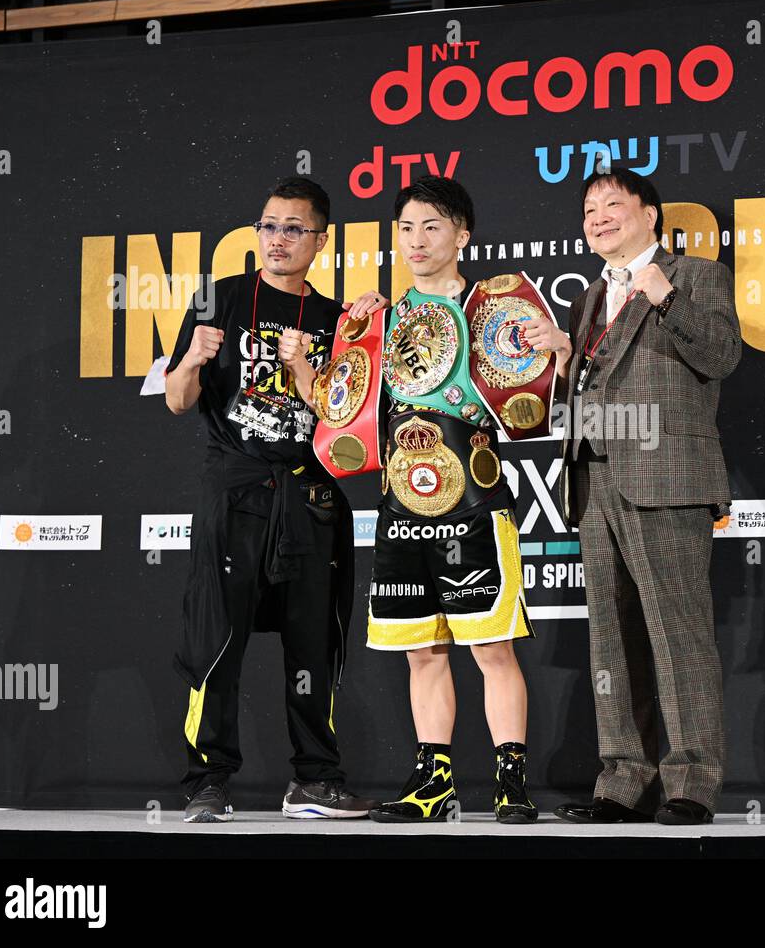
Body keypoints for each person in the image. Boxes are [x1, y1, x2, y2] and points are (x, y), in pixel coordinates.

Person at [522, 170, 741, 825]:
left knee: (678, 636)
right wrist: (564, 362)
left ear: (651, 214)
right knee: (610, 645)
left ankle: (691, 782)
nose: (599, 217)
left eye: (613, 205)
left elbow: (724, 355)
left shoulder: (697, 275)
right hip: (595, 478)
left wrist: (668, 297)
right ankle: (622, 779)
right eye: (590, 209)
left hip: (666, 477)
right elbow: (596, 390)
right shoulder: (592, 295)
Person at [165, 176, 374, 822]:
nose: (278, 239)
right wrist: (194, 361)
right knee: (218, 640)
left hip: (309, 498)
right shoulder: (219, 300)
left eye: (293, 228)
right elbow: (177, 400)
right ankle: (209, 781)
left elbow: (349, 430)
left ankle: (315, 779)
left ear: (321, 240)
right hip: (236, 494)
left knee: (313, 645)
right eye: (268, 226)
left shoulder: (337, 320)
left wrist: (320, 364)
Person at [341, 175, 538, 823]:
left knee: (492, 650)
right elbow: (341, 421)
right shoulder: (380, 320)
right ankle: (435, 784)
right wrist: (334, 350)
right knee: (422, 652)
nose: (417, 240)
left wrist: (548, 352)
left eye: (431, 226)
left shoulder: (495, 313)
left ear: (462, 234)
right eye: (405, 228)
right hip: (400, 510)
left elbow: (532, 402)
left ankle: (512, 782)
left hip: (475, 504)